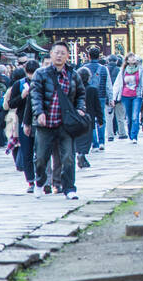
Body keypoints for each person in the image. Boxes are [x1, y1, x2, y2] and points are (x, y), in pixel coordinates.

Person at [30, 42, 85, 199]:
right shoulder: (41, 74)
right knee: (41, 157)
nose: (59, 55)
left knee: (68, 157)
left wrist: (80, 108)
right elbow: (36, 95)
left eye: (63, 53)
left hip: (65, 123)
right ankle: (40, 182)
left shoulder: (73, 75)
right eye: (57, 52)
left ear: (68, 55)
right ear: (51, 54)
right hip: (46, 123)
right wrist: (39, 112)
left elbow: (81, 94)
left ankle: (69, 188)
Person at [5, 61, 39, 194]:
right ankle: (30, 180)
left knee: (41, 152)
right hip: (23, 120)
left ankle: (42, 179)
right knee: (27, 151)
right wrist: (22, 96)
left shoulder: (42, 82)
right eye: (30, 74)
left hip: (39, 121)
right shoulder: (18, 84)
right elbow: (11, 103)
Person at [80, 46, 111, 152]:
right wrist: (110, 98)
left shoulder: (84, 68)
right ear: (99, 56)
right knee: (101, 117)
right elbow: (108, 85)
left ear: (89, 56)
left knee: (90, 118)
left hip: (87, 95)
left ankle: (95, 143)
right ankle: (102, 141)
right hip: (101, 95)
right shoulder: (103, 68)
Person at [111, 51, 143, 142]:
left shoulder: (140, 70)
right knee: (129, 117)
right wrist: (113, 97)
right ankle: (130, 133)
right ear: (127, 60)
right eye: (130, 57)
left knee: (135, 116)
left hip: (137, 95)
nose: (133, 59)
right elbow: (118, 84)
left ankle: (134, 136)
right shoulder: (123, 71)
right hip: (125, 95)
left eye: (134, 57)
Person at [76, 66, 103, 169]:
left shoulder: (75, 89)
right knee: (88, 138)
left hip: (77, 117)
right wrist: (100, 119)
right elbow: (97, 106)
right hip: (89, 117)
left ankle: (79, 153)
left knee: (78, 138)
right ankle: (82, 154)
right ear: (89, 77)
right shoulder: (92, 89)